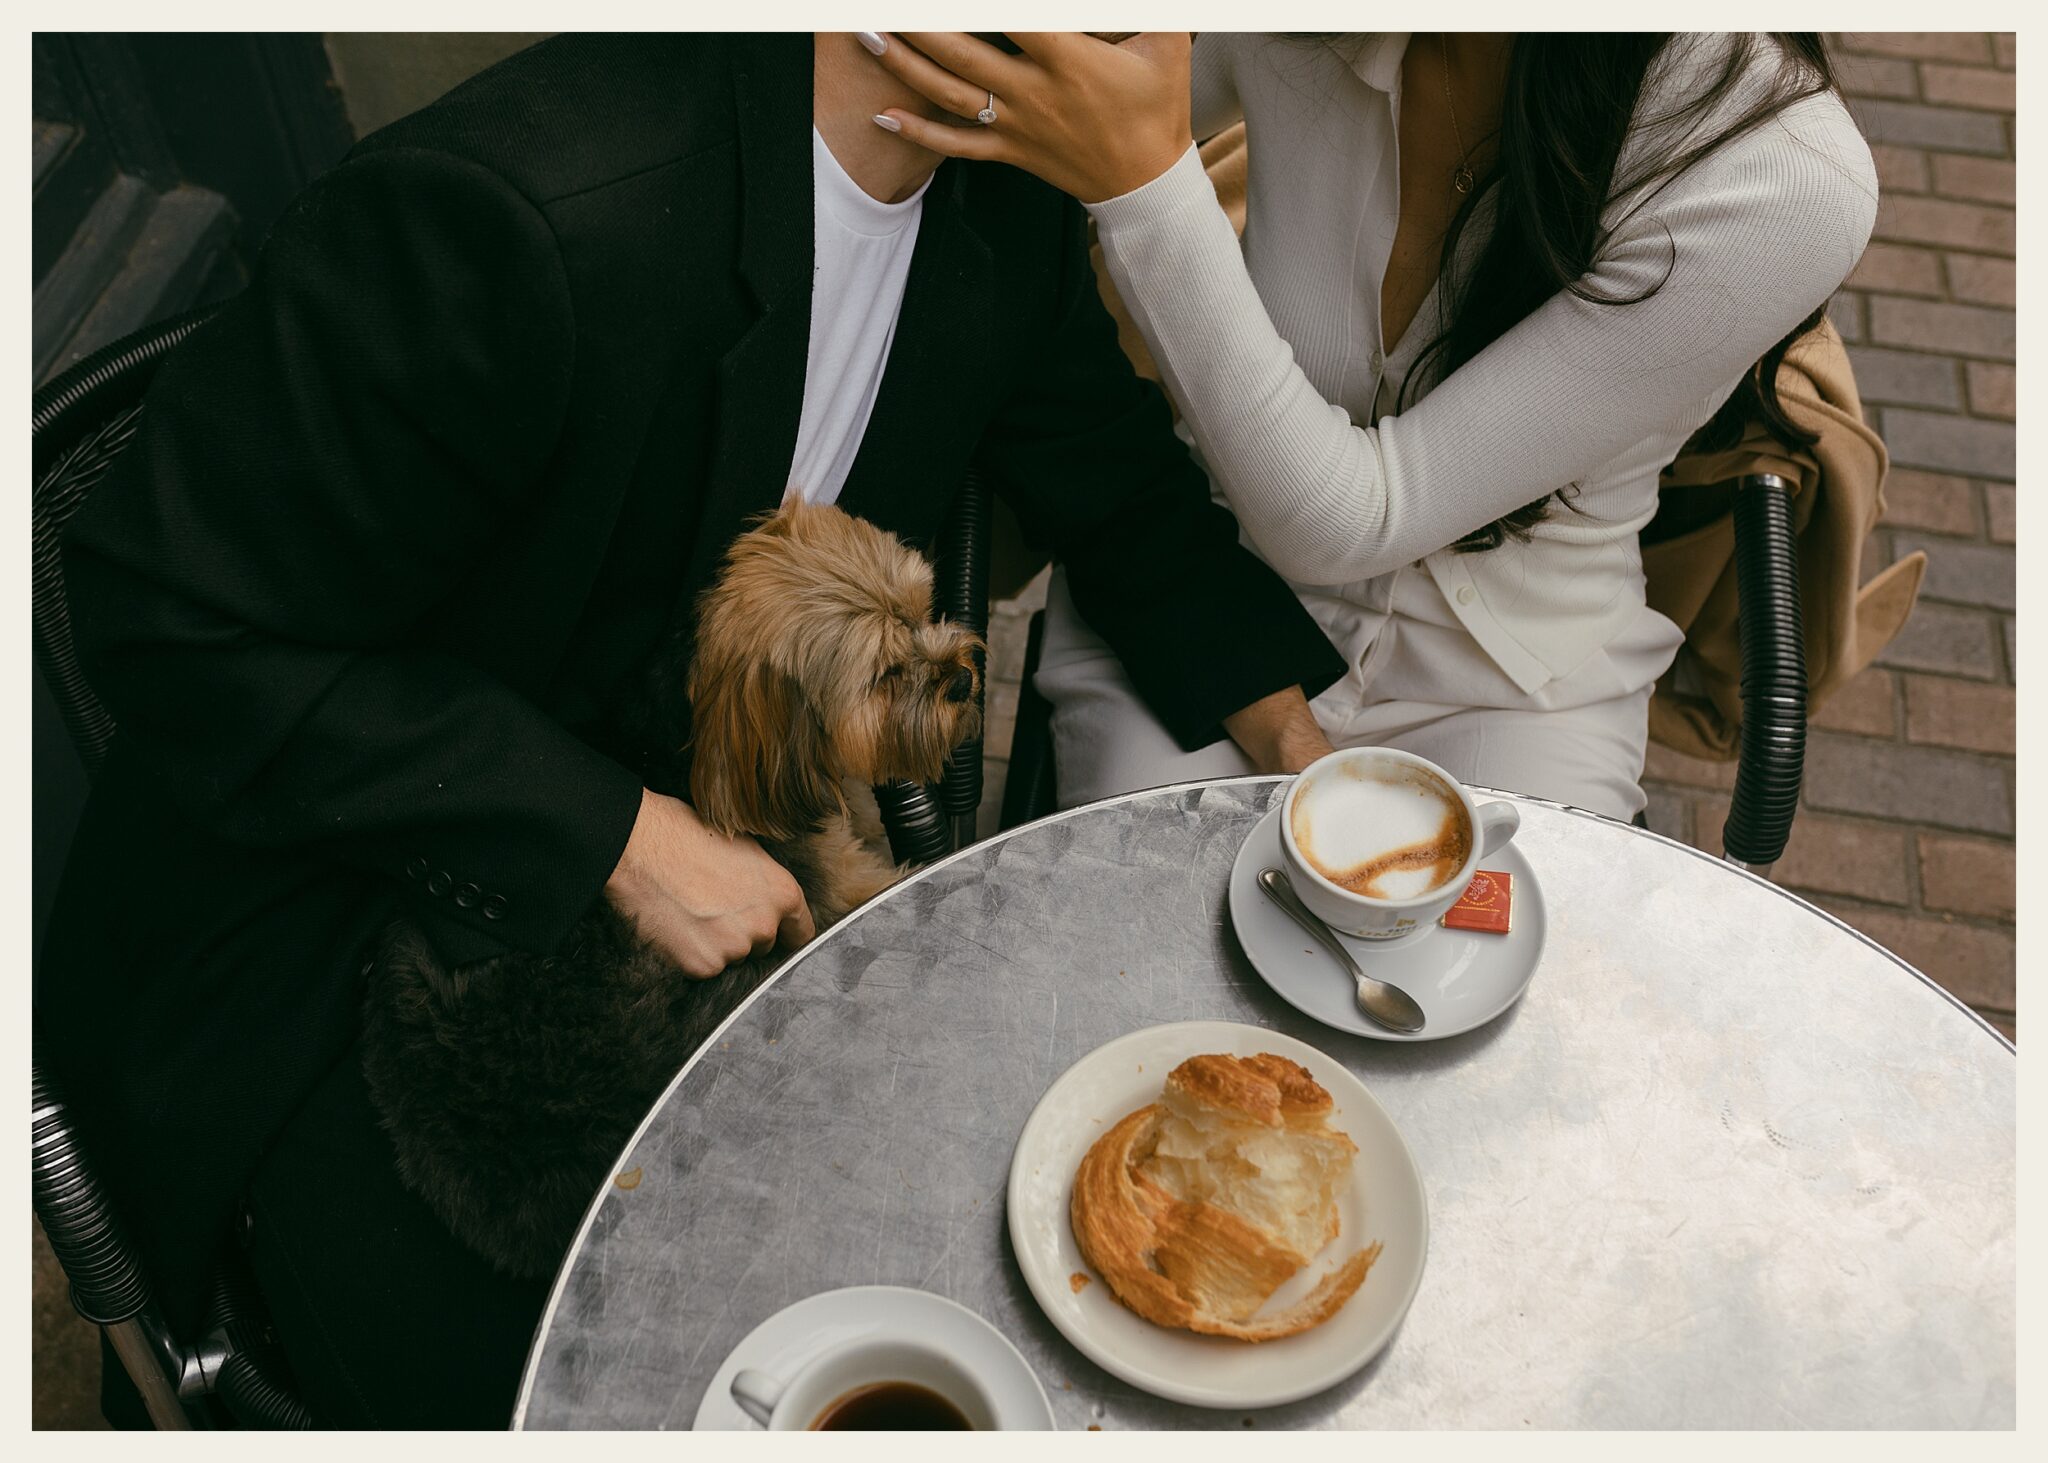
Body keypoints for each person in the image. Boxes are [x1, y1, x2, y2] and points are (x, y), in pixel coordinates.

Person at [35, 33, 1344, 1428]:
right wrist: (613, 831)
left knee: (958, 1240)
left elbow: (1116, 482)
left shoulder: (995, 197)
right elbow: (164, 615)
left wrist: (1302, 756)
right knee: (622, 1382)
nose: (1172, 40)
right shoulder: (517, 214)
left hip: (715, 845)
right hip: (336, 920)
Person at [864, 32, 1879, 820]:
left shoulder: (1774, 171)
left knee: (1484, 1024)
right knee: (1156, 970)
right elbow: (1048, 79)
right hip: (1202, 570)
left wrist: (1144, 188)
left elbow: (1354, 517)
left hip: (1522, 662)